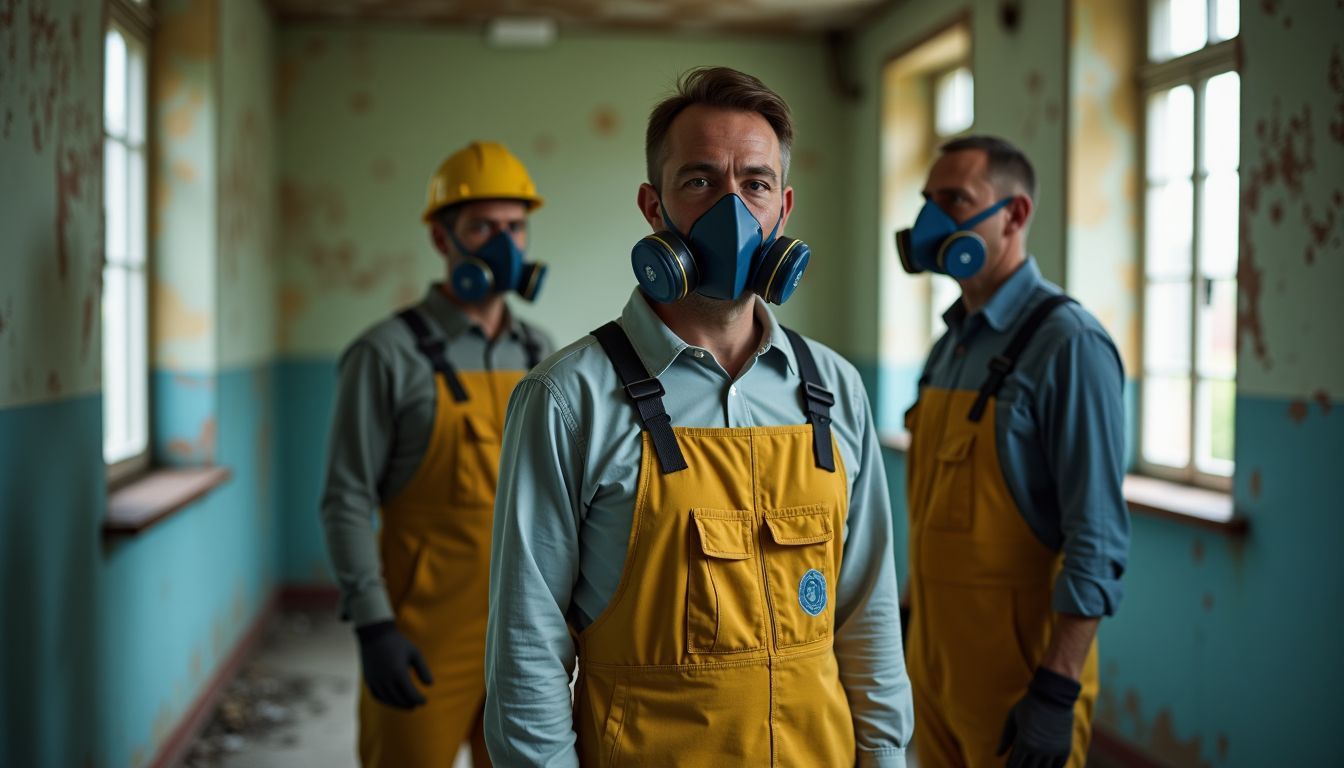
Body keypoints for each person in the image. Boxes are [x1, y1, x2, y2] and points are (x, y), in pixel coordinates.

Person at [483, 66, 914, 767]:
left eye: (755, 183)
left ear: (784, 207)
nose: (733, 209)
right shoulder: (569, 398)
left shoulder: (833, 389)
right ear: (653, 207)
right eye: (701, 181)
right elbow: (527, 652)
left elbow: (869, 624)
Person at [894, 135, 1130, 768]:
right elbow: (934, 511)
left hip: (1018, 677)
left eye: (955, 199)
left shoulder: (1069, 345)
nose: (932, 220)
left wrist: (1055, 689)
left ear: (1015, 215)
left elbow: (1098, 539)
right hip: (934, 666)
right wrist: (907, 626)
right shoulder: (951, 344)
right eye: (928, 200)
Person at [319, 140, 554, 767]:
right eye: (481, 226)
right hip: (422, 633)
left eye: (515, 227)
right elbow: (345, 499)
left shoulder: (542, 353)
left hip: (525, 635)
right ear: (441, 238)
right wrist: (374, 626)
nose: (502, 243)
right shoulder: (383, 355)